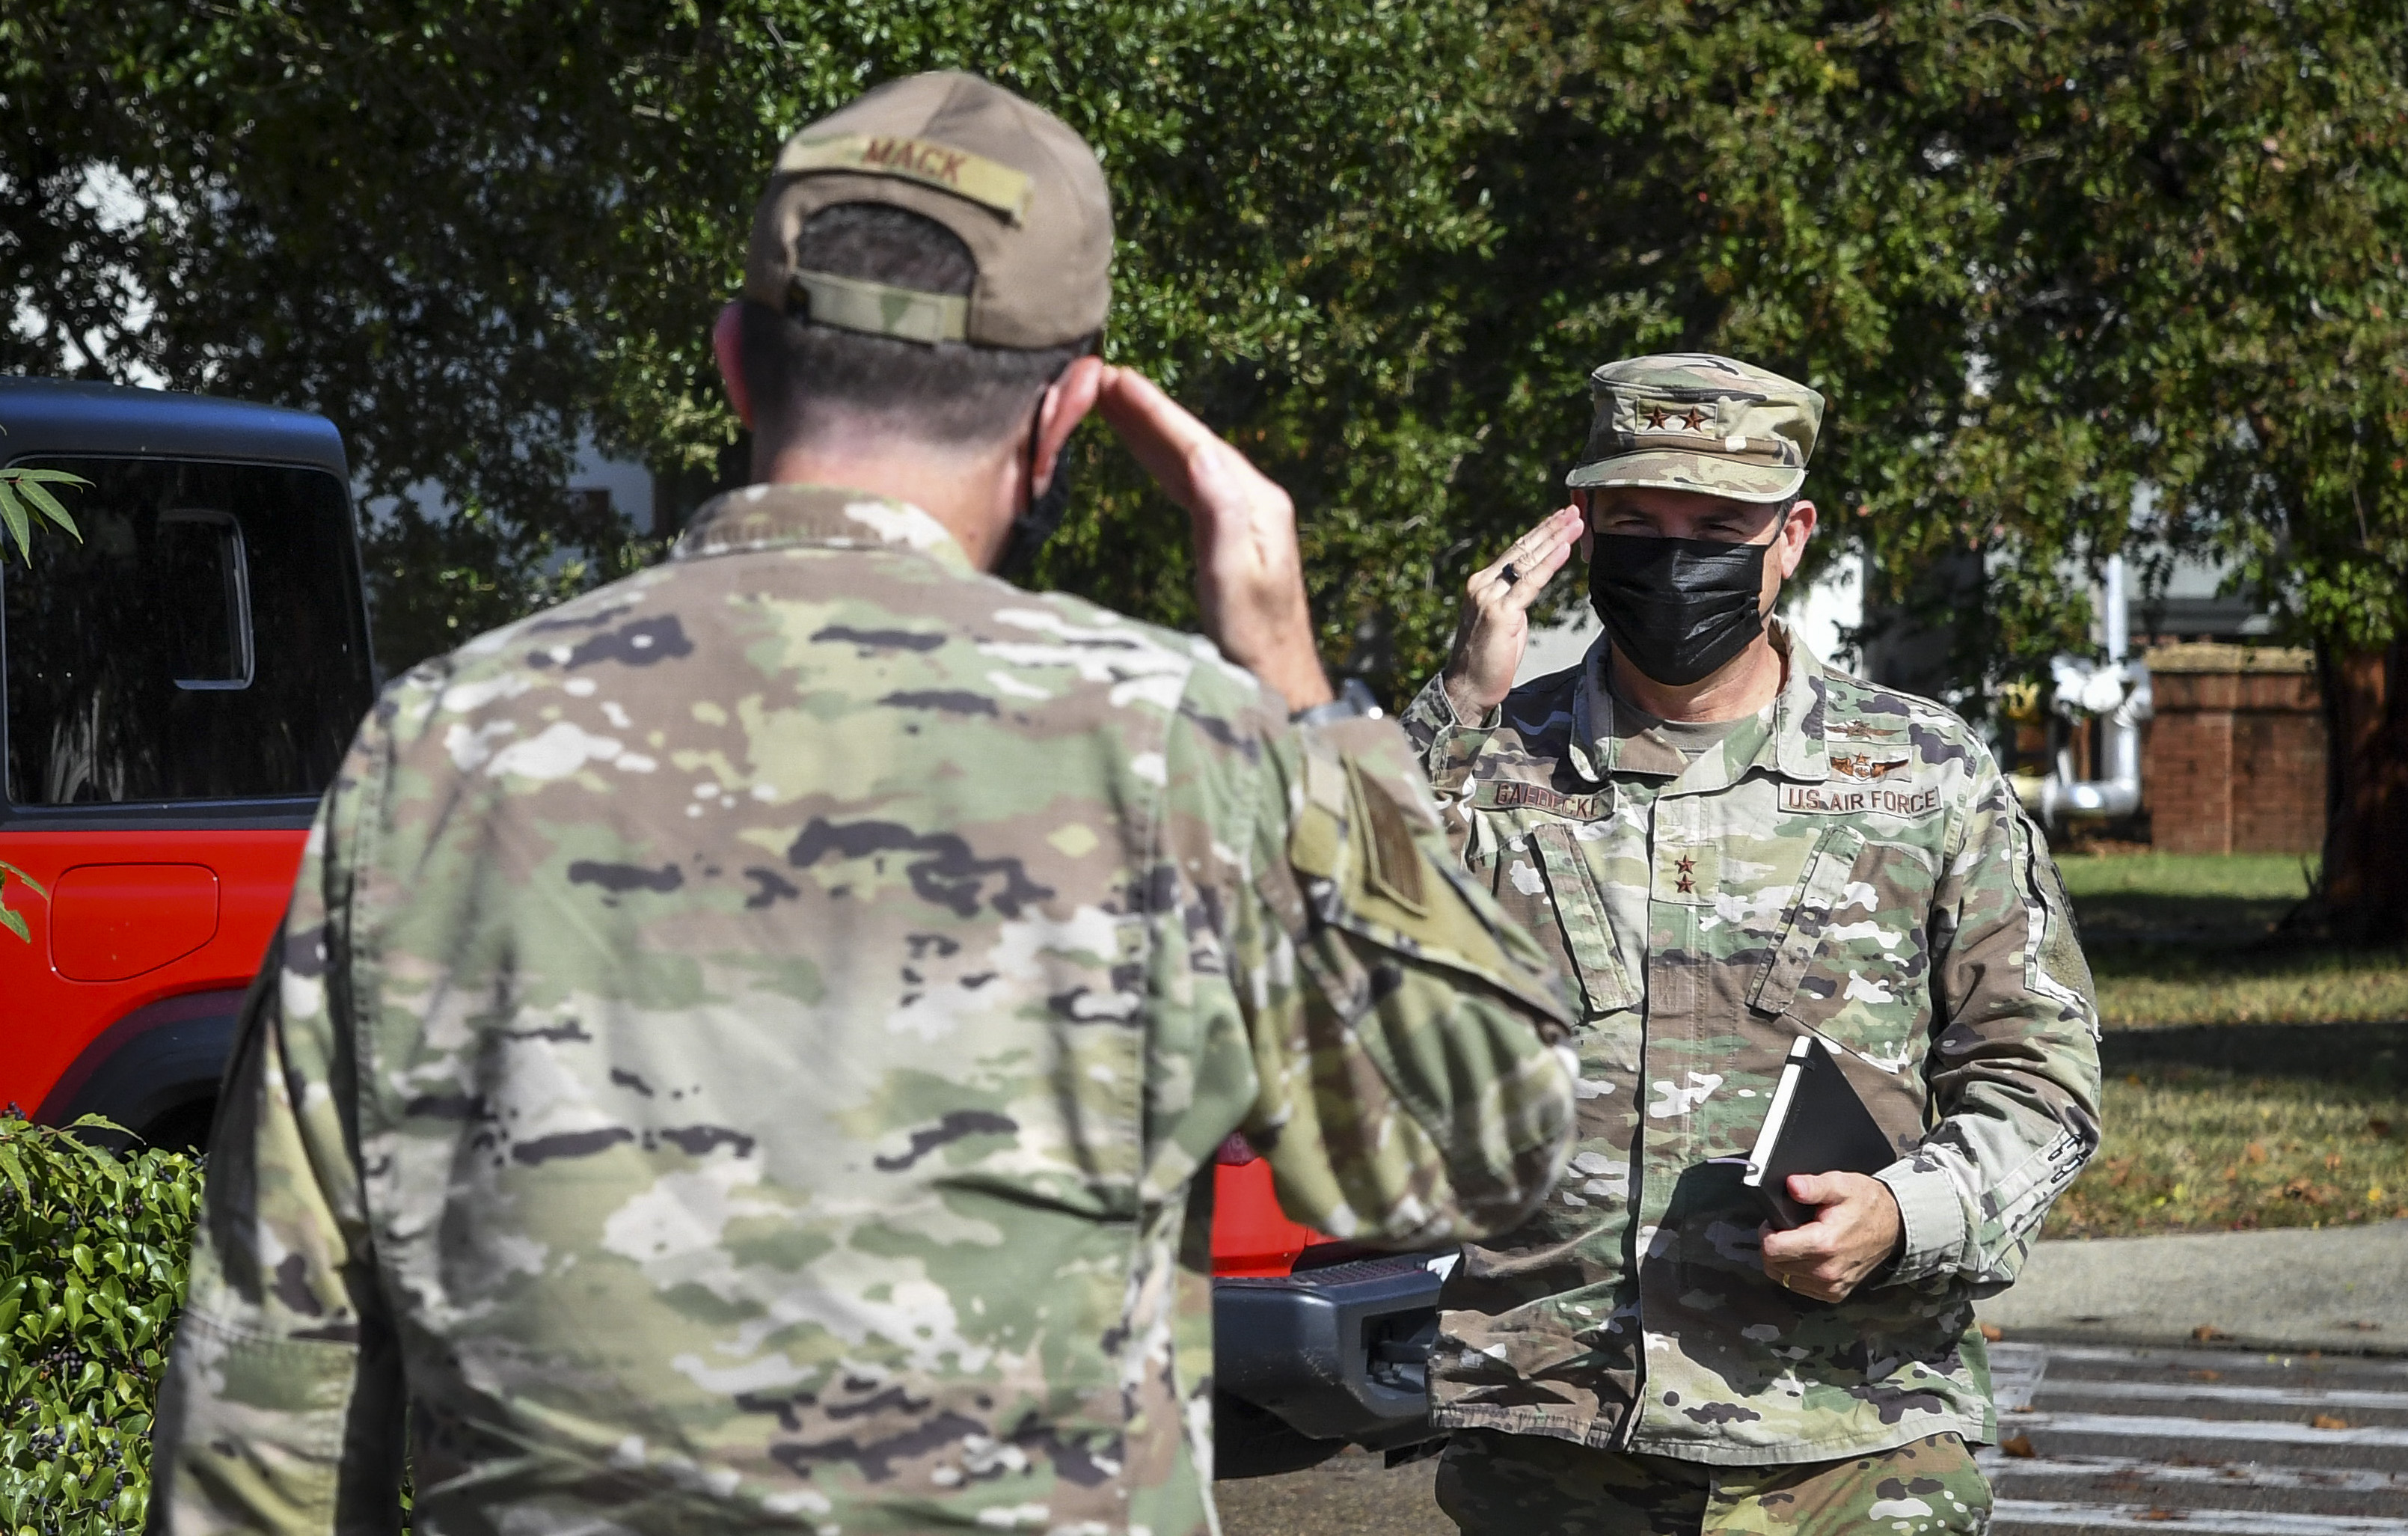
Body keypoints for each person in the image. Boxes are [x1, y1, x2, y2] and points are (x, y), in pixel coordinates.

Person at [146, 72, 1578, 1536]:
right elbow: (1490, 1145)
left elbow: (274, 1372)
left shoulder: (442, 750)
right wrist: (1299, 688)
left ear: (729, 360)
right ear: (1068, 414)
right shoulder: (1178, 748)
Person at [1399, 353, 2103, 1534]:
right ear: (1581, 528)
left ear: (1790, 536)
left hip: (1853, 1445)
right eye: (1637, 521)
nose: (1677, 557)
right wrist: (1455, 711)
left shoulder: (1926, 774)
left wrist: (1904, 1216)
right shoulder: (1485, 765)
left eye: (1719, 523)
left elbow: (2044, 1083)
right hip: (1557, 1439)